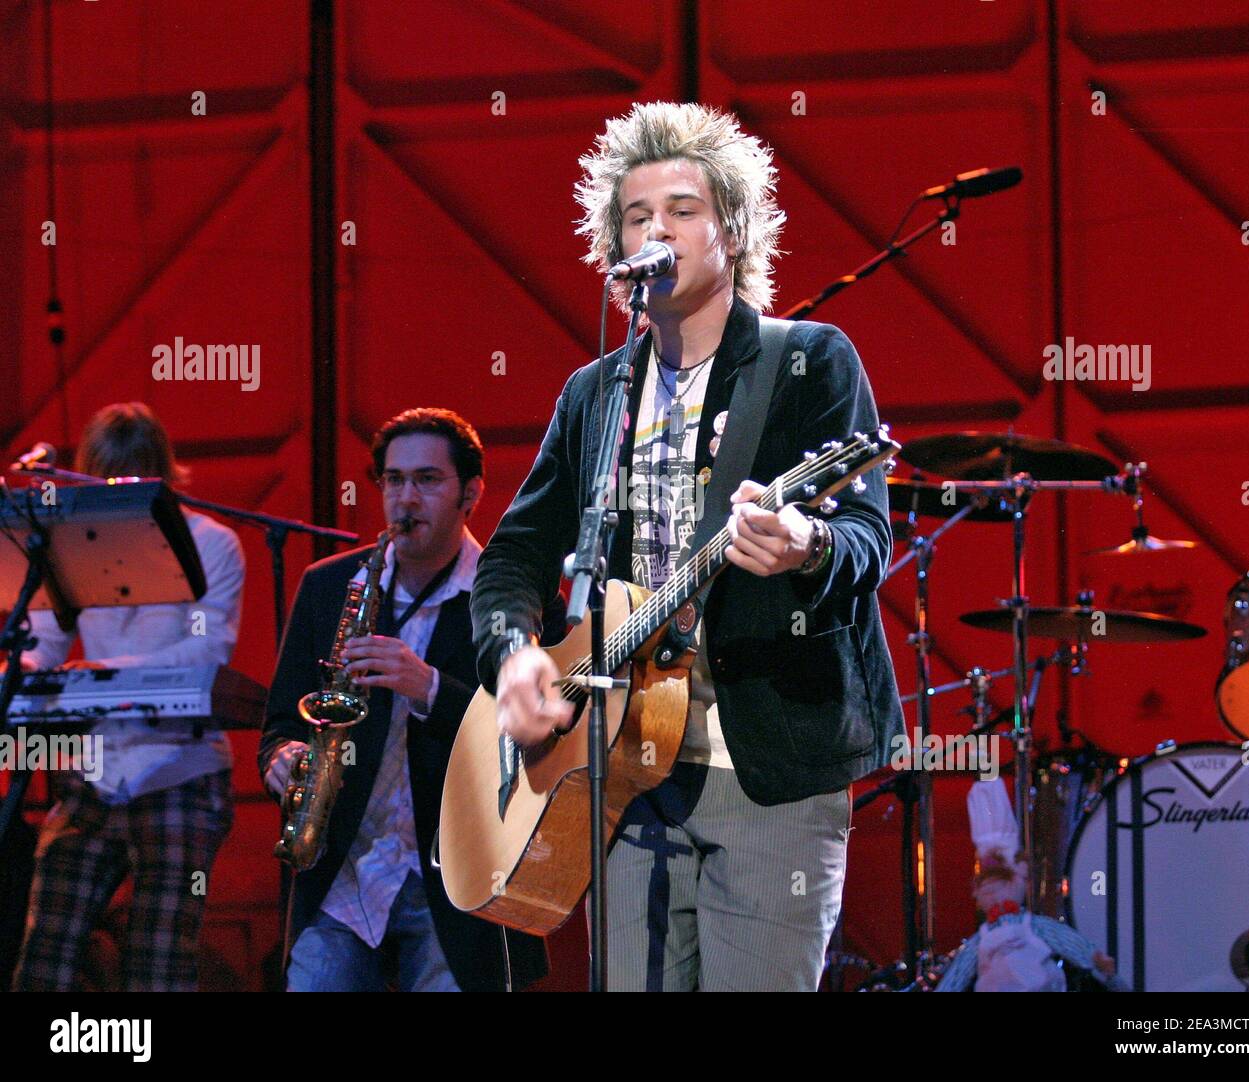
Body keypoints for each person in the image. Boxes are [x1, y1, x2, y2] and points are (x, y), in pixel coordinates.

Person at [470, 101, 904, 991]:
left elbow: (866, 541)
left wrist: (805, 542)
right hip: (622, 775)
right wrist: (514, 655)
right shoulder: (598, 393)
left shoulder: (808, 362)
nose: (656, 230)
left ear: (733, 232)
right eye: (636, 216)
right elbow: (514, 556)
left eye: (681, 210)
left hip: (768, 765)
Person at [260, 408, 547, 991]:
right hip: (342, 877)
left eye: (426, 480)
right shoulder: (329, 586)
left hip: (460, 887)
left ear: (471, 493)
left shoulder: (517, 594)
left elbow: (540, 740)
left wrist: (432, 690)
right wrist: (283, 758)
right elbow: (278, 722)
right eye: (392, 480)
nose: (404, 499)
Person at [12, 402, 245, 991]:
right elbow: (45, 640)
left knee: (157, 964)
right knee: (45, 957)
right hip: (95, 771)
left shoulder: (211, 543)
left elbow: (203, 651)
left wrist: (100, 672)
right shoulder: (69, 543)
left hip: (179, 773)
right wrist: (24, 668)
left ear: (158, 478)